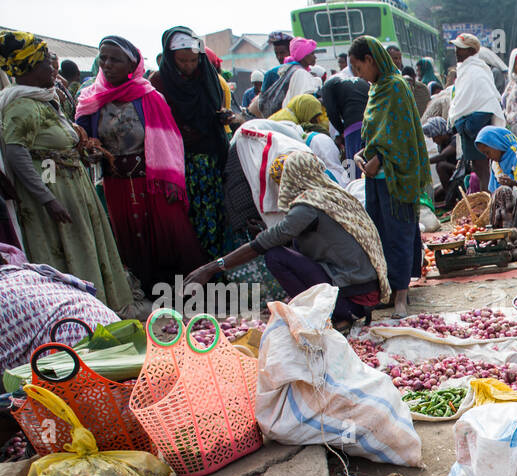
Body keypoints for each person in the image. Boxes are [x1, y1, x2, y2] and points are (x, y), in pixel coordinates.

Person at [0, 31, 130, 312]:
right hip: (52, 193)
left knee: (84, 246)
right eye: (47, 63)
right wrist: (48, 198)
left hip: (69, 187)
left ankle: (98, 308)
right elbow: (16, 153)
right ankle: (76, 312)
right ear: (31, 68)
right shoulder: (21, 107)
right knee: (68, 251)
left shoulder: (44, 99)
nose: (53, 68)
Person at [186, 151, 387, 332]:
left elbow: (261, 245)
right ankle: (338, 313)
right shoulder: (332, 194)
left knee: (274, 256)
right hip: (365, 293)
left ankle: (332, 315)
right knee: (290, 247)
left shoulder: (307, 207)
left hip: (352, 299)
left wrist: (210, 268)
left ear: (293, 178)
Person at [75, 35, 207, 290]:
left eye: (115, 59)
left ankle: (184, 291)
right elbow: (81, 137)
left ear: (131, 63)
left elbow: (170, 142)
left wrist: (170, 180)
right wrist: (89, 149)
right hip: (116, 183)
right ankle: (143, 291)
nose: (107, 64)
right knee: (128, 237)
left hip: (152, 181)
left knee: (167, 237)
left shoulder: (149, 97)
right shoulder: (91, 99)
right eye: (103, 58)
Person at [349, 36, 430, 318]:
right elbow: (374, 133)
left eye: (359, 68)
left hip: (398, 174)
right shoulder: (376, 89)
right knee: (380, 235)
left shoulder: (396, 87)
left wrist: (379, 159)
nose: (358, 75)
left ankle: (401, 295)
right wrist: (363, 156)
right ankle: (390, 290)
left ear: (370, 61)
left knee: (399, 233)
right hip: (375, 178)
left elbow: (401, 134)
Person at [152, 26, 234, 257]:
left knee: (216, 214)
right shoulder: (160, 83)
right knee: (188, 218)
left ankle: (218, 265)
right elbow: (158, 126)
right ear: (170, 57)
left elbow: (216, 108)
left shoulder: (208, 77)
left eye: (193, 60)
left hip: (211, 157)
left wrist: (222, 116)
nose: (188, 66)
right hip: (178, 162)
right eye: (182, 61)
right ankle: (194, 266)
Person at [449, 33, 506, 196]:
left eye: (460, 48)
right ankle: (487, 203)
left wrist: (468, 126)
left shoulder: (476, 71)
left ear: (471, 51)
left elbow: (487, 101)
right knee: (480, 170)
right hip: (471, 130)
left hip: (477, 129)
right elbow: (464, 101)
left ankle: (488, 205)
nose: (456, 51)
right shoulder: (467, 70)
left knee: (483, 171)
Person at [257, 37, 321, 117]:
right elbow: (306, 101)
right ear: (302, 55)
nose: (279, 57)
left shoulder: (296, 70)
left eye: (282, 53)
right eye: (312, 54)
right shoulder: (299, 73)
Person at [320, 73, 369, 178]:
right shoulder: (361, 81)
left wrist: (341, 131)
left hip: (353, 128)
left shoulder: (327, 86)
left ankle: (356, 190)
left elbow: (331, 113)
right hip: (373, 123)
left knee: (355, 167)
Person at [423, 115, 457, 202]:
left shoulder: (455, 140)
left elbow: (442, 156)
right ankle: (448, 194)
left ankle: (451, 198)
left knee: (441, 165)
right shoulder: (441, 144)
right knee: (433, 196)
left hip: (459, 172)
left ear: (441, 133)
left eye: (434, 137)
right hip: (452, 176)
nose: (434, 140)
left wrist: (423, 161)